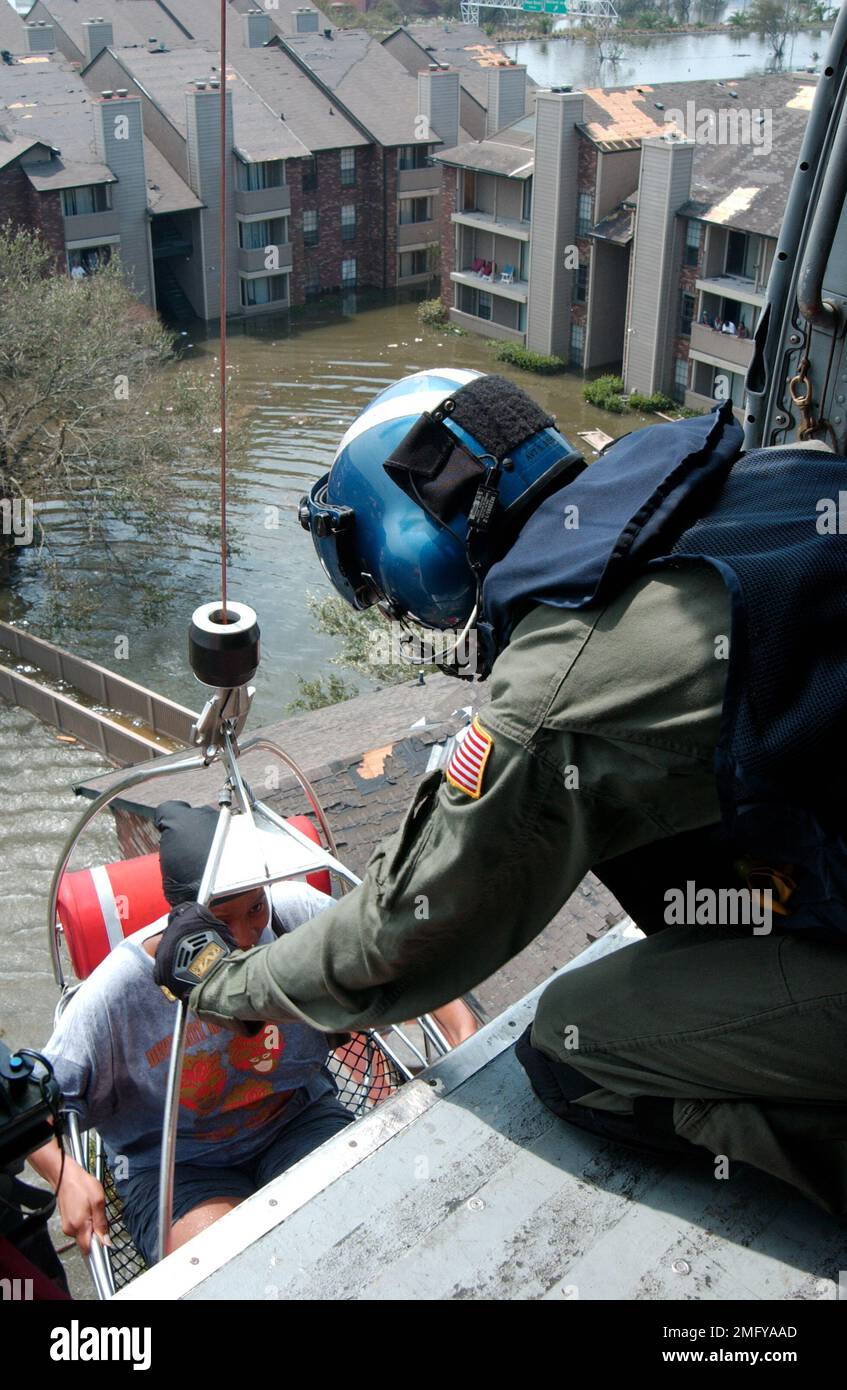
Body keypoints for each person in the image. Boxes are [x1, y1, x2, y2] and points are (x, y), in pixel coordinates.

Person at [153, 368, 847, 1219]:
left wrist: (223, 978)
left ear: (405, 547)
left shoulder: (556, 684)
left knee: (573, 1048)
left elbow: (402, 934)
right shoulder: (754, 474)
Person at [29, 802, 357, 1266]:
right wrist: (64, 1176)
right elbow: (28, 1106)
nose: (246, 938)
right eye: (222, 922)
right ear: (179, 917)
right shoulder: (116, 993)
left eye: (255, 907)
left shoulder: (294, 918)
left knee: (352, 1222)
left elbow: (386, 955)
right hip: (178, 1169)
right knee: (239, 1266)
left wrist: (460, 1028)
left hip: (298, 1118)